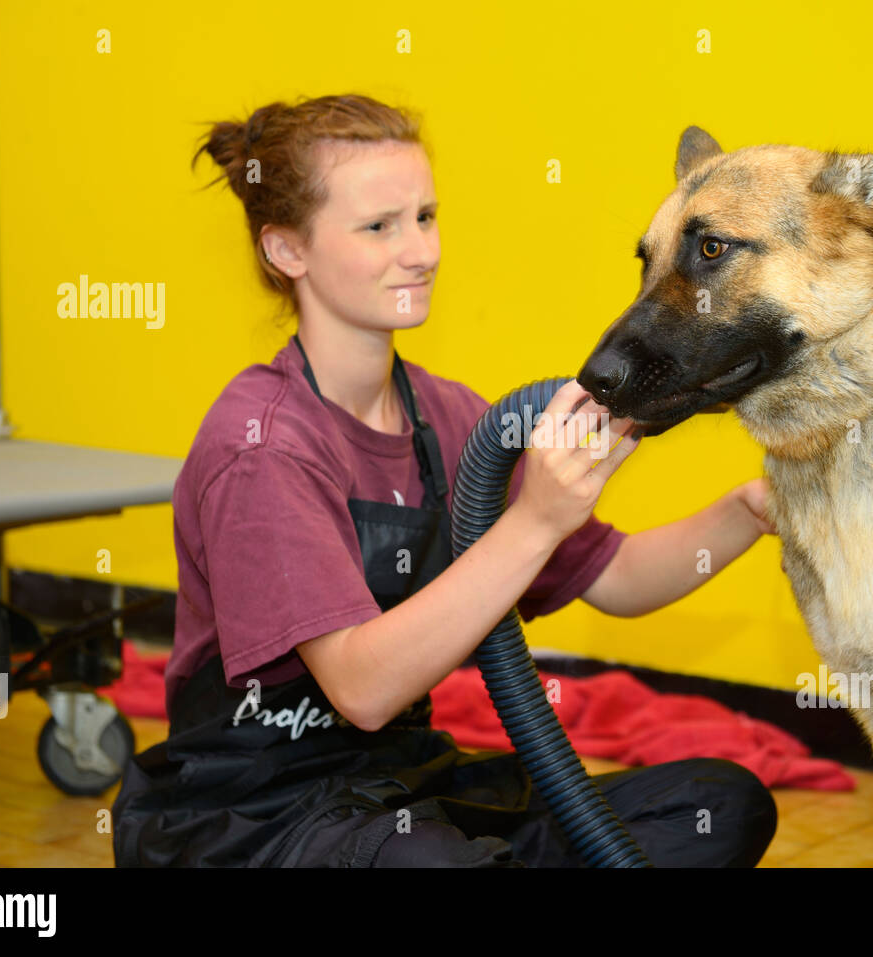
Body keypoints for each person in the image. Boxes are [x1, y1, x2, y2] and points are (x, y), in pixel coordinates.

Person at [111, 93, 779, 867]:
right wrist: (533, 522)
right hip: (256, 818)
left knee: (717, 804)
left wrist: (759, 508)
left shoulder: (447, 416)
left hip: (400, 790)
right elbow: (361, 689)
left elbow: (621, 577)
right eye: (379, 227)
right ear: (287, 250)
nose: (421, 251)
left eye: (425, 217)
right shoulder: (262, 444)